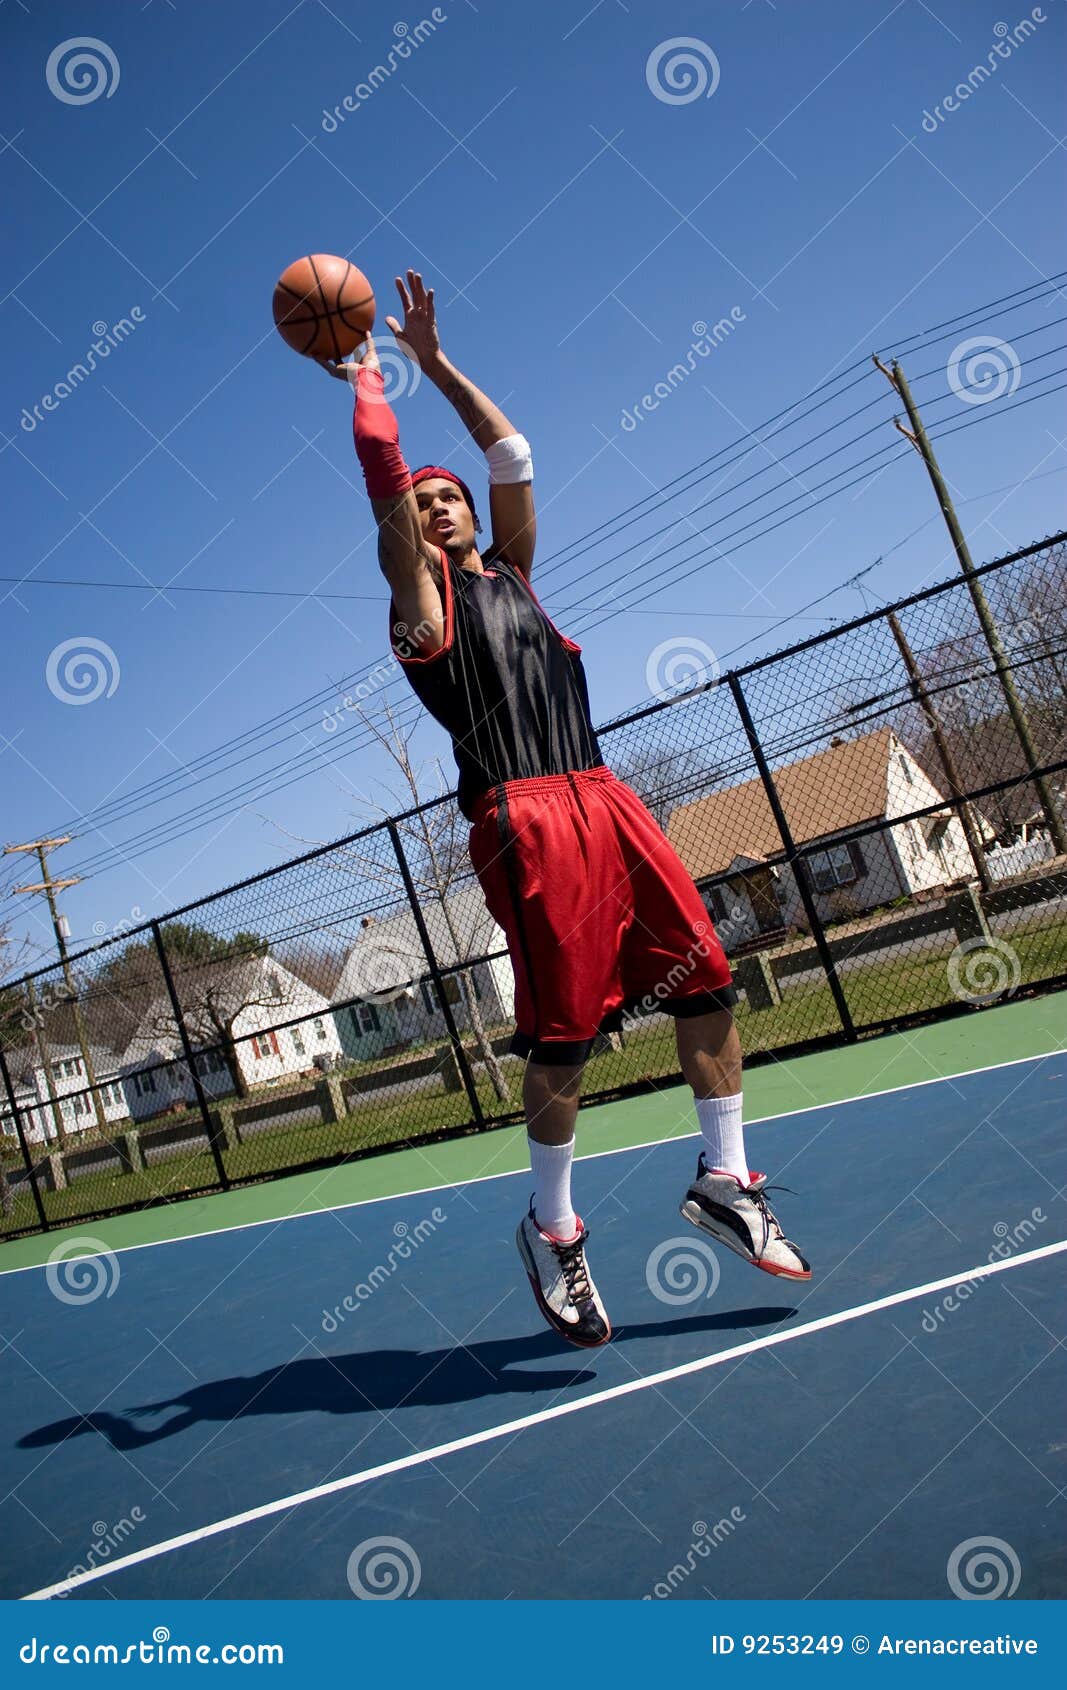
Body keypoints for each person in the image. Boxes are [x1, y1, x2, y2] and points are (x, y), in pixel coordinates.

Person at [319, 270, 810, 1349]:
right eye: (425, 498)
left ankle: (725, 1179)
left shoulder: (515, 576)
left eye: (449, 496)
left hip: (605, 801)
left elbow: (512, 457)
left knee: (708, 977)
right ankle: (550, 1231)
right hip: (523, 821)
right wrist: (362, 373)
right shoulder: (420, 608)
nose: (441, 501)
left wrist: (435, 361)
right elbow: (380, 470)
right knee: (564, 1038)